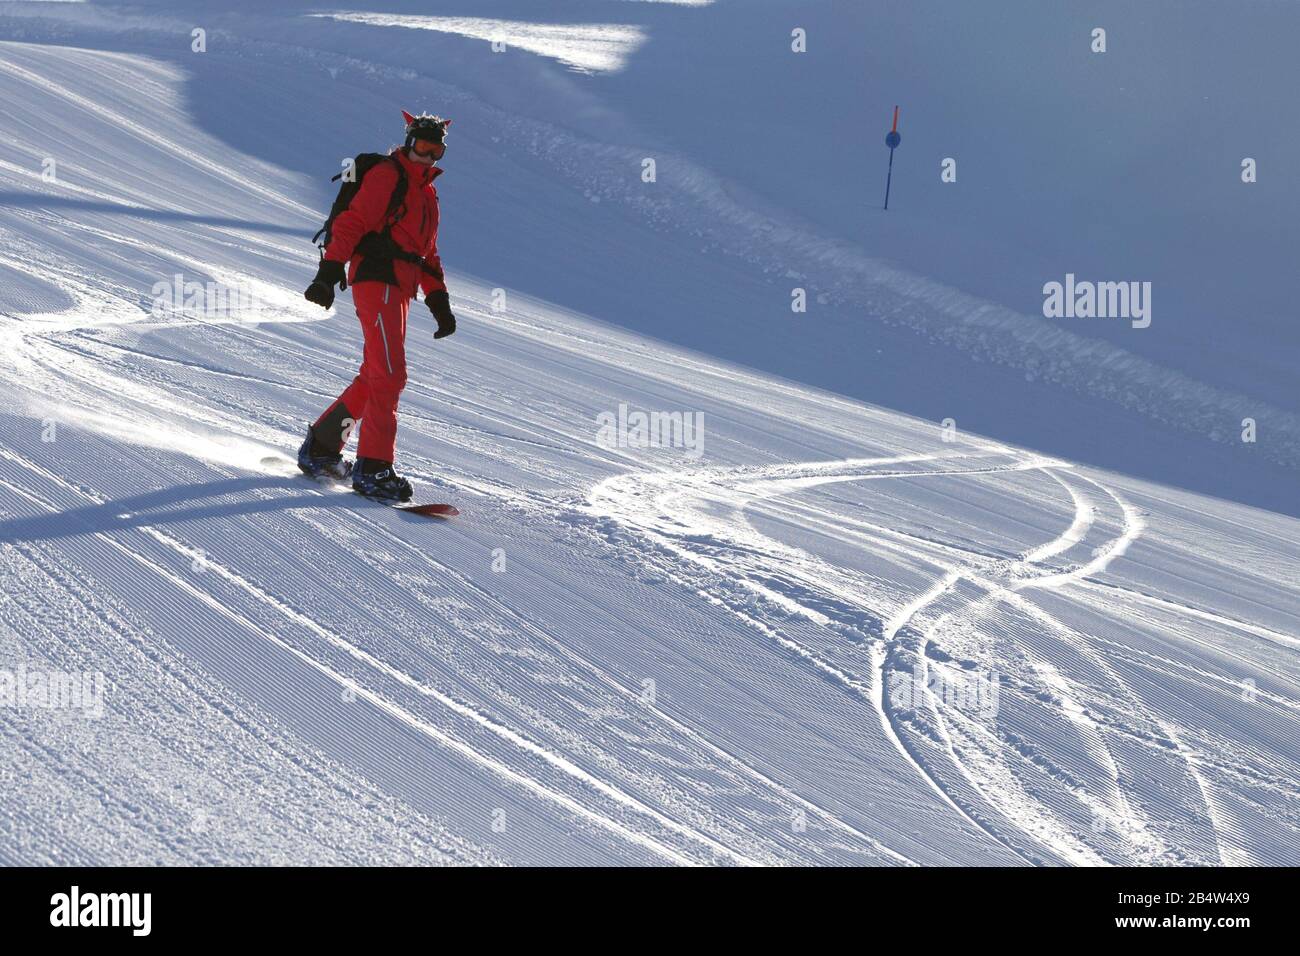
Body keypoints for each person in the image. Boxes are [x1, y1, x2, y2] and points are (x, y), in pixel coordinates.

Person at [298, 111, 457, 502]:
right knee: (389, 375)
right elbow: (354, 222)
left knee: (375, 375)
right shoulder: (388, 175)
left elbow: (427, 254)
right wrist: (328, 269)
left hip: (400, 288)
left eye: (436, 150)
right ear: (408, 143)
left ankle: (322, 446)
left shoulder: (428, 193)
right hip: (378, 279)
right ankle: (374, 467)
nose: (427, 156)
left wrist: (439, 301)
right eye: (422, 146)